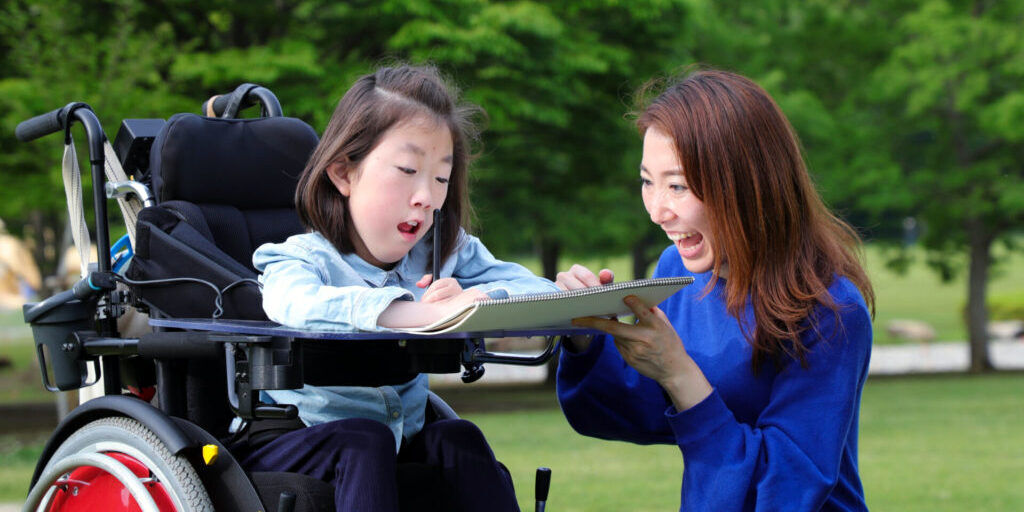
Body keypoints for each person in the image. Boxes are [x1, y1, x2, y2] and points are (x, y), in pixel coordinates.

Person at [240, 64, 558, 512]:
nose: (426, 196)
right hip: (295, 434)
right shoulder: (298, 258)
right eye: (407, 170)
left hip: (401, 437)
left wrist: (477, 302)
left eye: (441, 178)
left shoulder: (442, 253)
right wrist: (418, 314)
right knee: (362, 439)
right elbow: (293, 304)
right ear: (343, 174)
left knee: (459, 437)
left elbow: (535, 289)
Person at [555, 69, 875, 511]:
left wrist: (680, 375)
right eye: (648, 181)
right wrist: (582, 333)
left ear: (746, 185)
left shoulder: (832, 312)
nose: (657, 211)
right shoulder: (678, 270)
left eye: (678, 186)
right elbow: (642, 410)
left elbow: (782, 493)